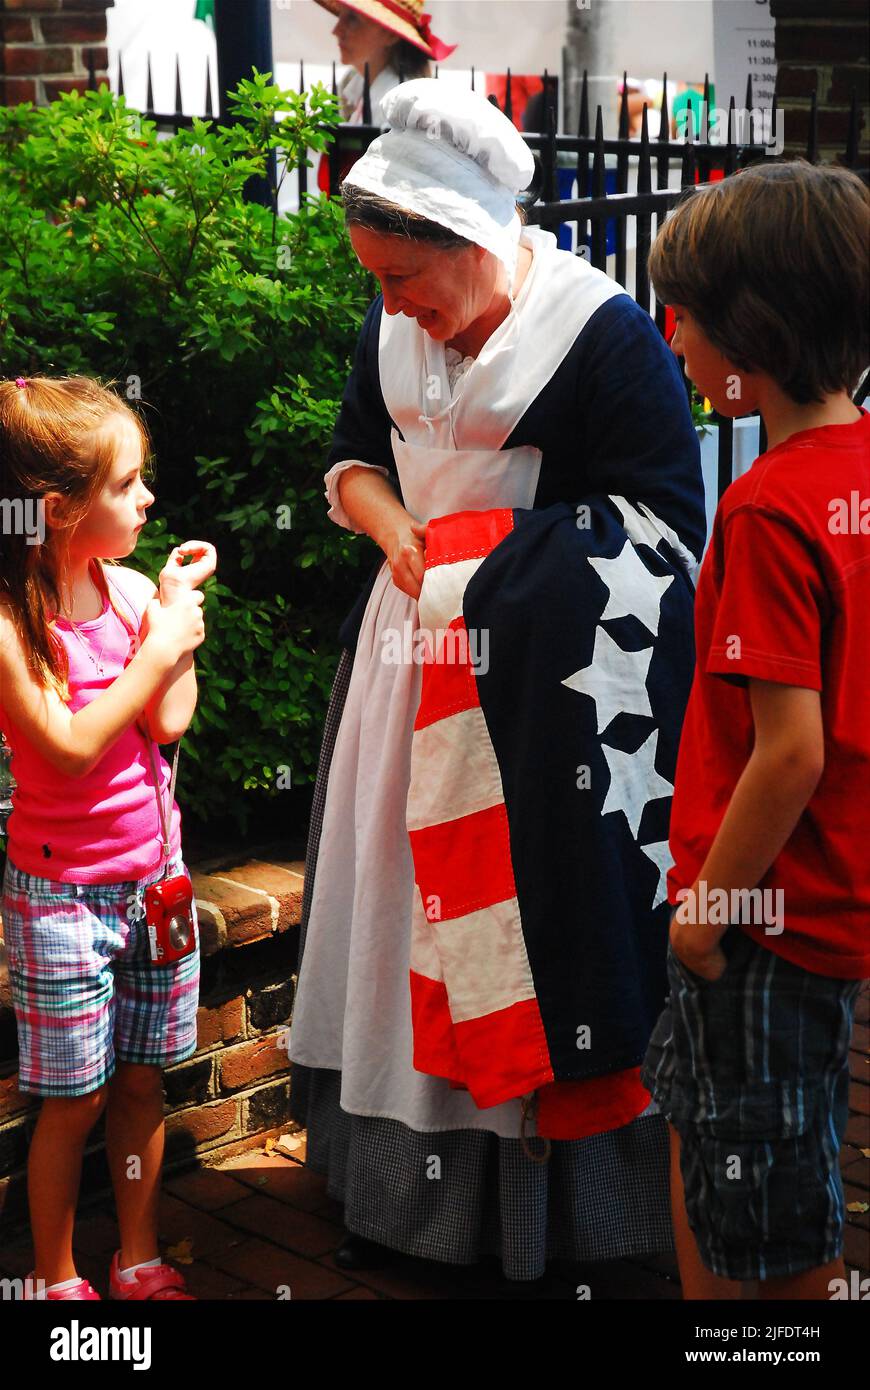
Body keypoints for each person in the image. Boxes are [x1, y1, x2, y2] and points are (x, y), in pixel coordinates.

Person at [289, 78, 706, 1282]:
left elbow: (666, 531)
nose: (390, 304)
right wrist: (396, 534)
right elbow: (354, 457)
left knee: (520, 928)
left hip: (541, 705)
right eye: (376, 279)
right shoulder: (393, 326)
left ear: (474, 239)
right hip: (407, 665)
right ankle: (401, 1201)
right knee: (395, 908)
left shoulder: (602, 335)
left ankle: (539, 1221)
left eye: (404, 277)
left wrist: (483, 565)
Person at [641, 160, 869, 1299]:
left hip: (762, 923)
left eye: (684, 315)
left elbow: (790, 750)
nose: (672, 339)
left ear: (752, 332)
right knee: (721, 1147)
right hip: (825, 904)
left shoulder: (767, 506)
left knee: (776, 1232)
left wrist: (705, 916)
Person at [0, 376, 217, 1301]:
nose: (148, 499)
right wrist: (158, 649)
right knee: (73, 1099)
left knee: (139, 1082)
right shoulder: (12, 620)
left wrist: (171, 624)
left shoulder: (128, 593)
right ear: (57, 510)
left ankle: (138, 1257)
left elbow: (168, 722)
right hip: (63, 901)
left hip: (153, 884)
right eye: (127, 485)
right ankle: (53, 1278)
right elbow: (70, 746)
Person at [314, 0, 455, 197]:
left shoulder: (401, 102)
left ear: (390, 35)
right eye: (341, 17)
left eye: (353, 19)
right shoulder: (355, 87)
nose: (337, 30)